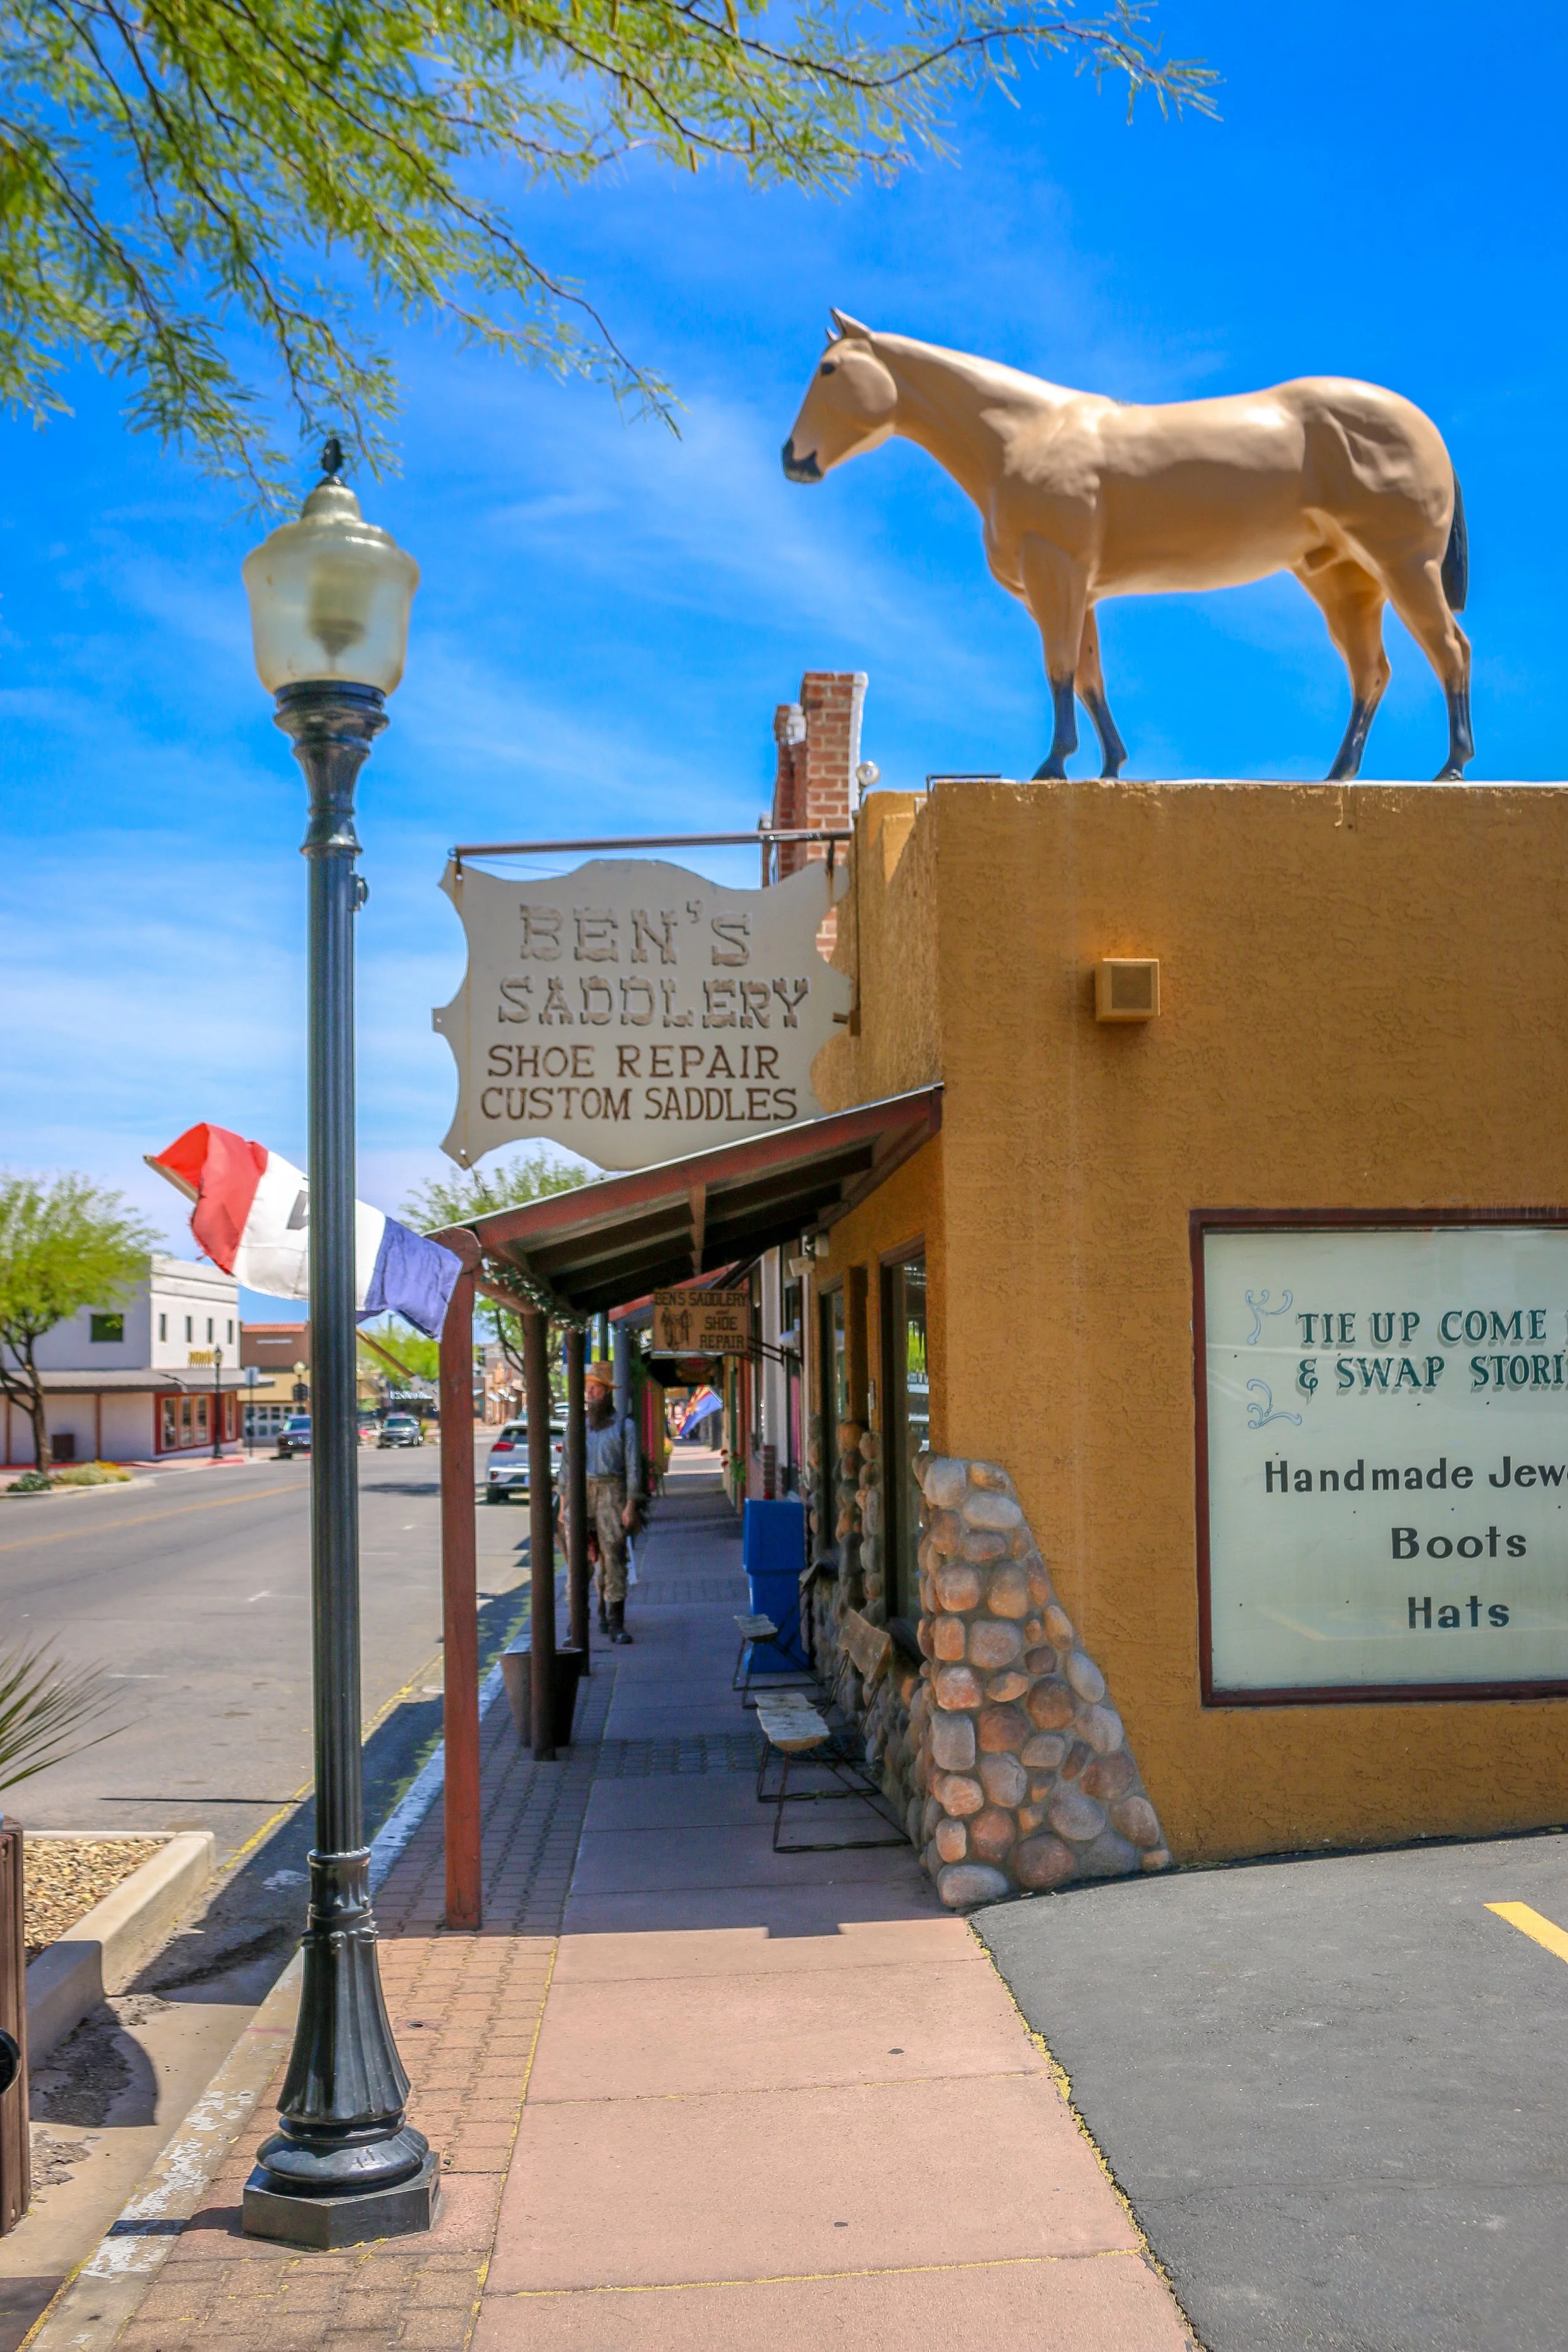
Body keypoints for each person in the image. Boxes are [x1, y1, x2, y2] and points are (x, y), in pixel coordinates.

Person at [584, 1358, 638, 1644]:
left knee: (613, 1558)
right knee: (583, 1558)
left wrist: (630, 1505)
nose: (590, 1394)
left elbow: (633, 1468)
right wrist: (565, 1504)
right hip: (585, 1493)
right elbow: (568, 1467)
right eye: (588, 1389)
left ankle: (616, 1621)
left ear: (607, 1392)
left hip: (612, 1494)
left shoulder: (624, 1426)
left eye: (596, 1389)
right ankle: (584, 1619)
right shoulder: (580, 1426)